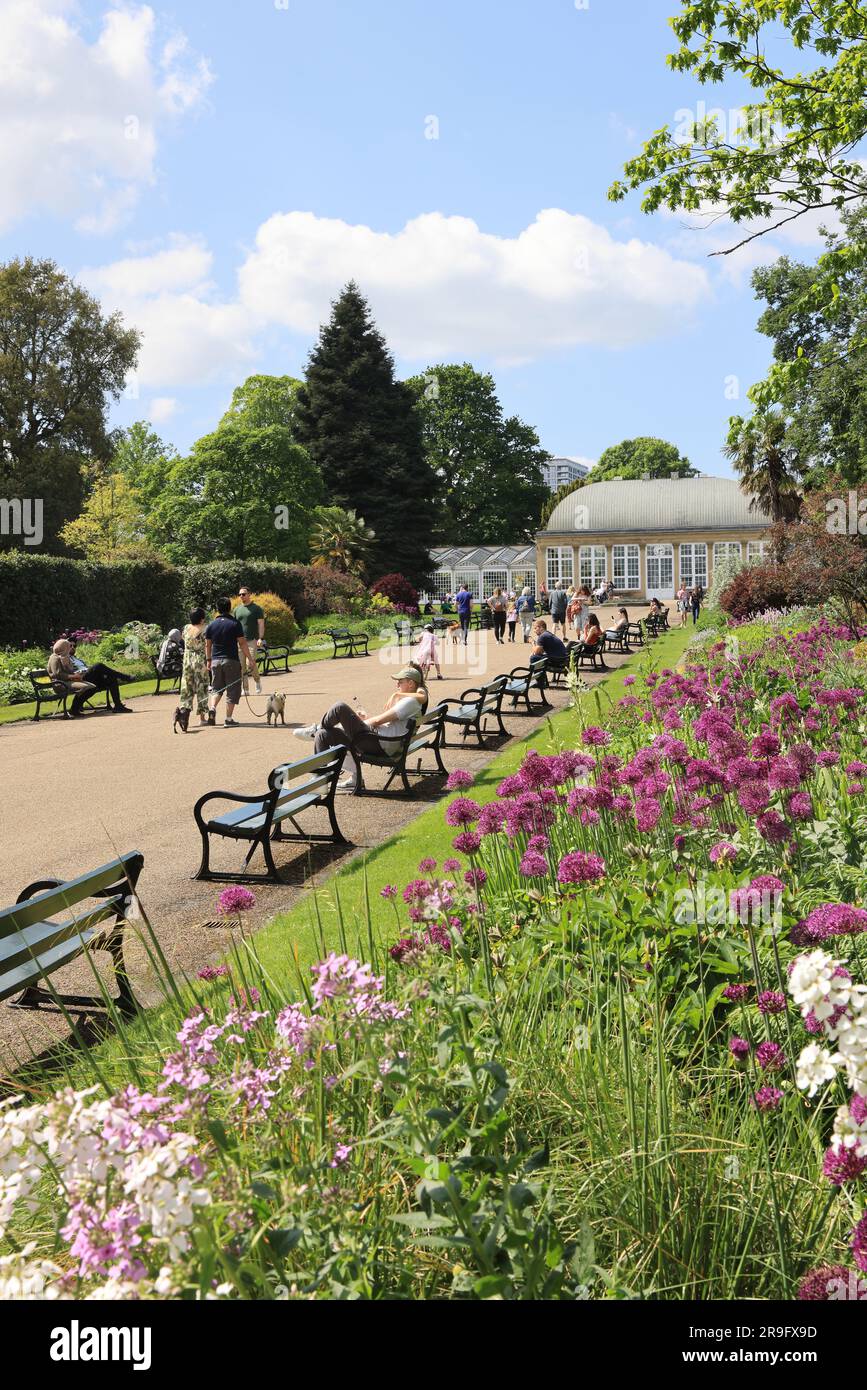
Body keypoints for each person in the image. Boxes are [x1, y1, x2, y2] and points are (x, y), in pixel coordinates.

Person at [293, 664, 429, 792]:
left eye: (400, 681)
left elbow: (378, 720)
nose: (397, 684)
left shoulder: (410, 702)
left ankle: (316, 729)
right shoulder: (410, 702)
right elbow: (386, 723)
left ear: (410, 684)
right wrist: (363, 721)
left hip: (380, 744)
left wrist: (360, 723)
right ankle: (320, 781)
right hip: (381, 741)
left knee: (339, 707)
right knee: (323, 735)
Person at [49, 639, 132, 716]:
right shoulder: (55, 658)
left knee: (111, 678)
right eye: (69, 646)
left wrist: (77, 673)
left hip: (78, 677)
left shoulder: (66, 657)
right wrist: (74, 676)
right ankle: (124, 677)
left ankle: (118, 705)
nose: (71, 648)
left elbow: (71, 670)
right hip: (63, 683)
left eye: (73, 646)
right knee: (98, 666)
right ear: (62, 647)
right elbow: (57, 674)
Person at [205, 597, 252, 728]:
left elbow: (207, 645)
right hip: (231, 660)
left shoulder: (211, 625)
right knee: (233, 690)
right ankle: (228, 718)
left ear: (217, 609)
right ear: (230, 608)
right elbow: (242, 643)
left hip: (215, 660)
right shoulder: (235, 624)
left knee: (217, 688)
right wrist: (250, 659)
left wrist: (208, 660)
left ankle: (213, 707)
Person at [177, 608, 210, 727]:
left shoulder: (186, 628)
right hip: (200, 660)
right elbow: (207, 644)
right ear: (201, 618)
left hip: (187, 659)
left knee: (187, 687)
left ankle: (184, 712)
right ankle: (202, 718)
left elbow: (182, 639)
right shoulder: (205, 629)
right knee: (202, 687)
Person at [232, 587, 265, 695]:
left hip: (252, 641)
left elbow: (261, 624)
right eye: (240, 594)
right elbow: (234, 626)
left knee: (251, 663)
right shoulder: (236, 610)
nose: (241, 596)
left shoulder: (256, 609)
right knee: (241, 666)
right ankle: (245, 689)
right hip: (239, 642)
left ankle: (257, 680)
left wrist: (260, 638)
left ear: (249, 594)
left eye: (244, 594)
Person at [529, 619, 568, 689]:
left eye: (535, 628)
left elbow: (537, 651)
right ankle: (543, 681)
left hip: (557, 661)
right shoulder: (548, 634)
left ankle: (541, 682)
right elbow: (540, 651)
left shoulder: (543, 636)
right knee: (537, 657)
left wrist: (532, 643)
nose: (534, 631)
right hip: (563, 659)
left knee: (534, 658)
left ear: (541, 627)